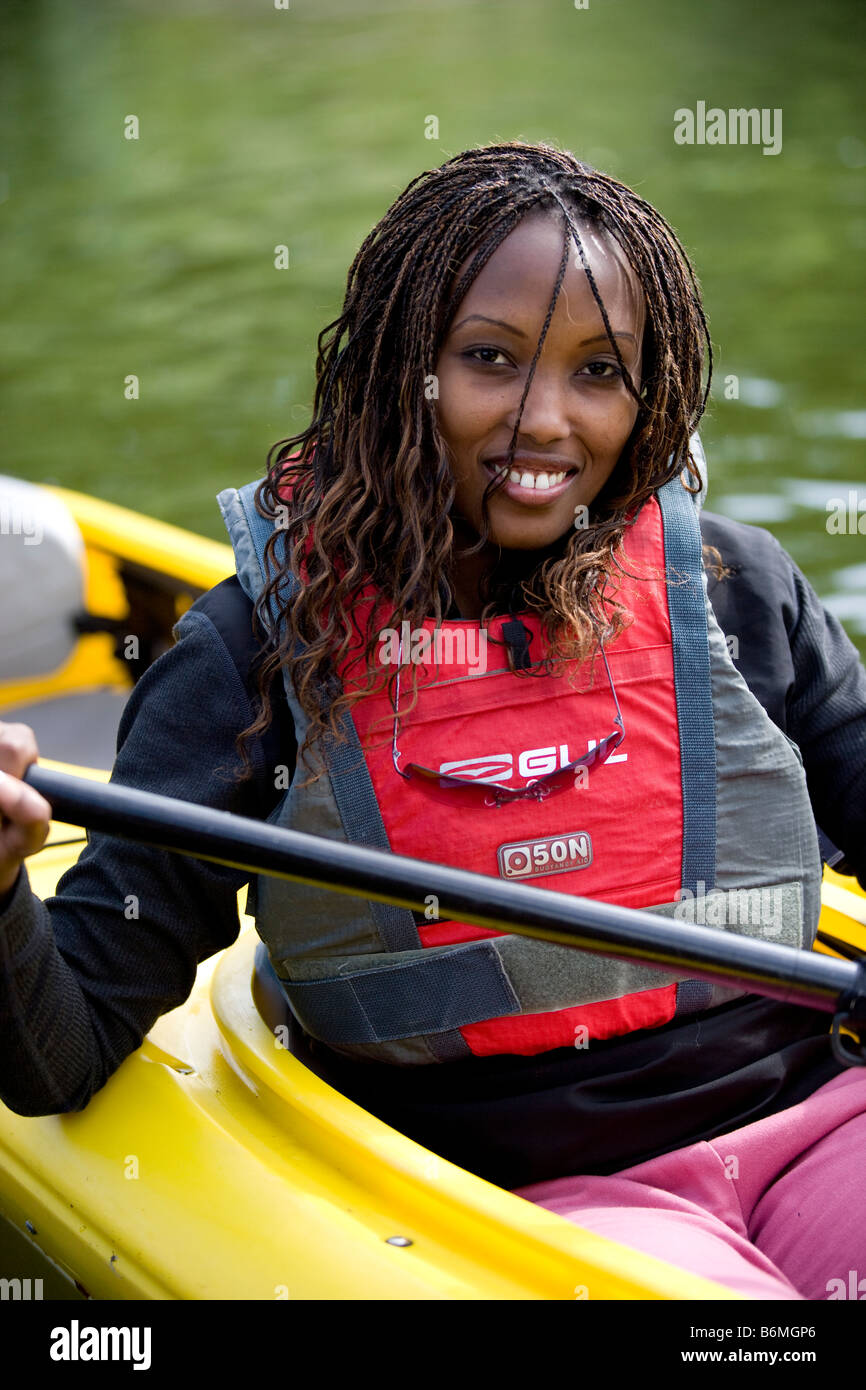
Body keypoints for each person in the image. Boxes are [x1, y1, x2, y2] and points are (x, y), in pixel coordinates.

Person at [1, 141, 865, 1301]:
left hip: (821, 1124)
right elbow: (63, 1055)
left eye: (598, 372)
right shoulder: (255, 656)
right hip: (536, 1212)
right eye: (488, 360)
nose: (544, 422)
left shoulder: (733, 588)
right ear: (399, 371)